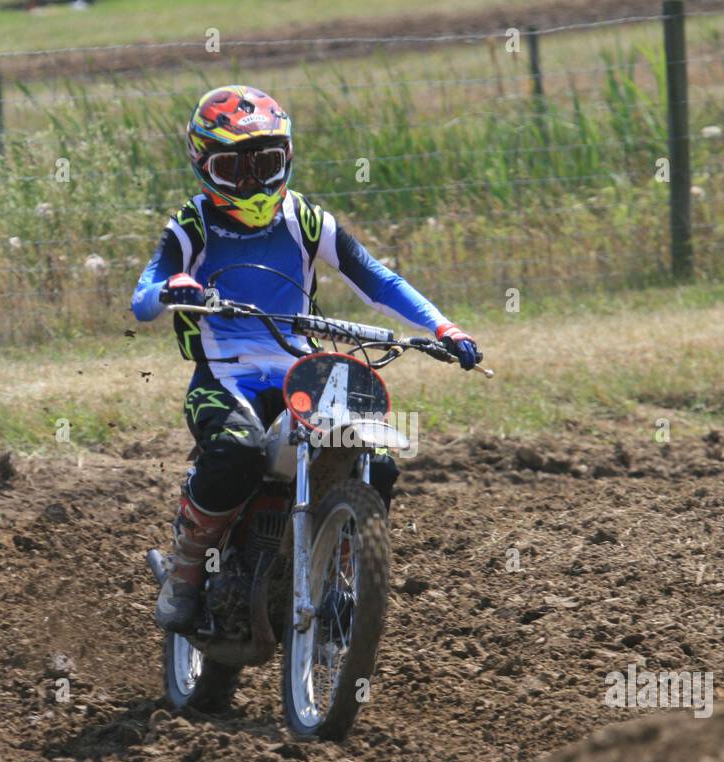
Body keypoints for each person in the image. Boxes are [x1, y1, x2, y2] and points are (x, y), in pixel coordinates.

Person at [131, 84, 483, 635]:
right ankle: (186, 569)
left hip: (301, 370)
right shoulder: (193, 225)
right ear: (204, 166)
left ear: (286, 160)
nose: (252, 182)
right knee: (238, 453)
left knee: (375, 460)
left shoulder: (306, 222)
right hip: (224, 379)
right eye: (234, 169)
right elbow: (143, 295)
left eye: (265, 164)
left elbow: (377, 280)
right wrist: (174, 285)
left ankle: (340, 575)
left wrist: (443, 326)